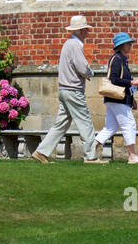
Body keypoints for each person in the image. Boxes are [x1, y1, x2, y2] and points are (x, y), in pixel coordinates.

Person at [31, 16, 101, 163]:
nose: (87, 33)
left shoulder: (68, 44)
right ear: (81, 31)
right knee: (85, 121)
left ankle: (41, 151)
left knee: (61, 123)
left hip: (64, 89)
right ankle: (91, 156)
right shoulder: (75, 45)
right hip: (73, 89)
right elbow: (82, 67)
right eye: (86, 30)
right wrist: (90, 73)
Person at [94, 32, 138, 164]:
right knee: (129, 124)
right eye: (129, 43)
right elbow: (114, 79)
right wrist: (131, 82)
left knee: (110, 128)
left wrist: (132, 98)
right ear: (122, 45)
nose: (131, 46)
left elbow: (122, 80)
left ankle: (89, 150)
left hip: (118, 99)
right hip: (118, 99)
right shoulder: (117, 59)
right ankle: (132, 156)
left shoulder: (121, 59)